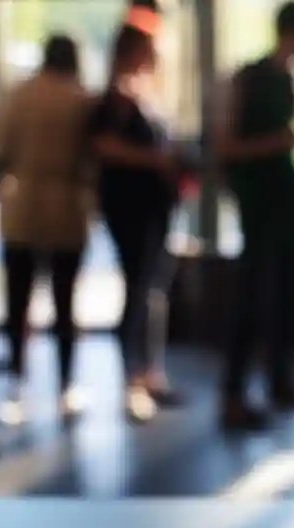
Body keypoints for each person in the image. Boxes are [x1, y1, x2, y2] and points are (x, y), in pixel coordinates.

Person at [217, 2, 294, 429]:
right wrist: (279, 142)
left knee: (284, 296)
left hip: (282, 205)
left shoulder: (290, 78)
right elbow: (227, 148)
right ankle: (234, 392)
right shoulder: (250, 79)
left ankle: (279, 379)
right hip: (260, 205)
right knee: (251, 298)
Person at [0, 35, 93, 420]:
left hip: (23, 207)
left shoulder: (19, 95)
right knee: (65, 303)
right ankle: (66, 384)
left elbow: (2, 149)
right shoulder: (82, 99)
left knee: (18, 301)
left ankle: (16, 380)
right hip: (67, 208)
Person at [88, 24, 182, 424]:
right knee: (138, 289)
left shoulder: (144, 92)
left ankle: (149, 372)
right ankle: (133, 380)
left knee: (152, 290)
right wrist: (154, 161)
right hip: (130, 207)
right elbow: (103, 145)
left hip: (154, 207)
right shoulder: (115, 98)